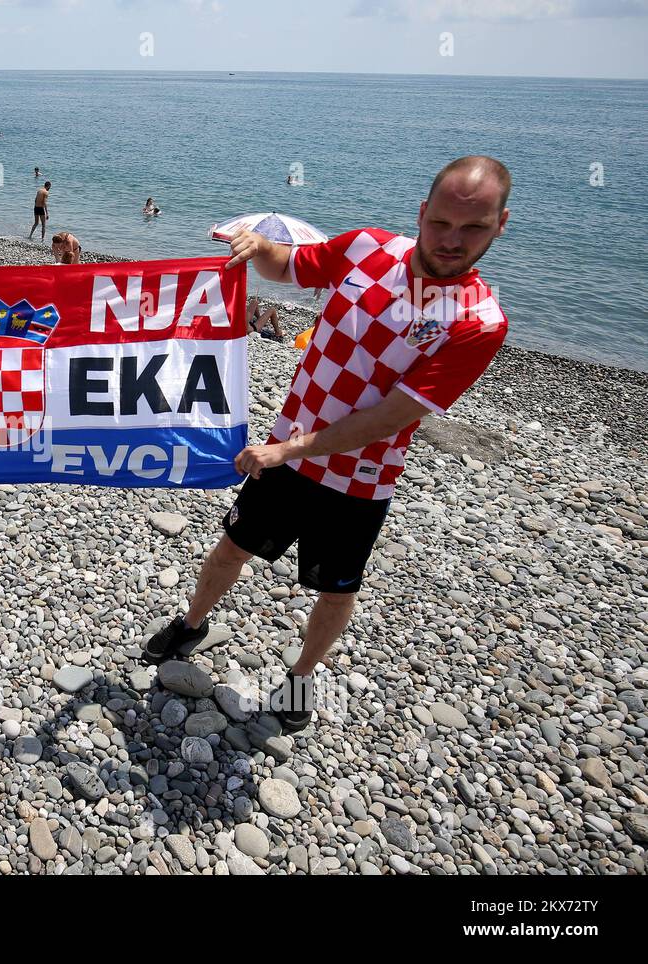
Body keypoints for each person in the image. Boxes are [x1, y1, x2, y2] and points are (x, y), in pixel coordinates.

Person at [143, 156, 512, 735]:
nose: (451, 241)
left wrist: (287, 451)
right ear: (422, 212)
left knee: (336, 590)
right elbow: (287, 265)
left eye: (474, 229)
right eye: (441, 223)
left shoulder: (477, 321)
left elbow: (391, 416)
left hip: (358, 481)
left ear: (500, 225)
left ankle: (301, 675)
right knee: (231, 548)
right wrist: (254, 245)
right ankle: (192, 623)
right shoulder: (366, 248)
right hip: (284, 458)